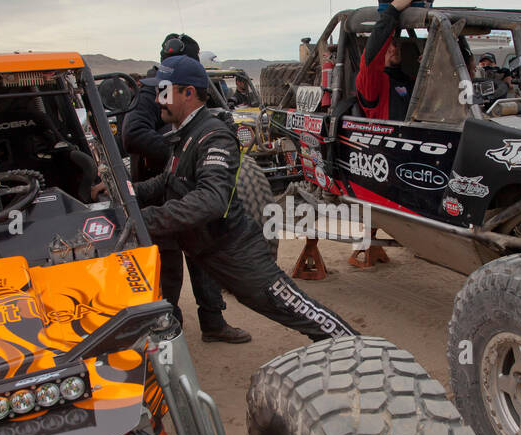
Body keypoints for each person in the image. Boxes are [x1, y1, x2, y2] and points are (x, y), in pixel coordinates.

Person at [118, 55, 357, 342]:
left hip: (238, 254)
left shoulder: (213, 136)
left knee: (302, 312)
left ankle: (361, 351)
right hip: (211, 253)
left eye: (164, 91)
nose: (158, 100)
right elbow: (168, 180)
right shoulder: (185, 133)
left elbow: (211, 200)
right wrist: (128, 193)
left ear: (188, 93)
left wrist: (145, 219)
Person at [121, 34, 250, 343]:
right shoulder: (152, 91)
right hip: (161, 192)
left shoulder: (185, 92)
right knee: (167, 270)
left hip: (187, 187)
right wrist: (179, 151)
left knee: (202, 256)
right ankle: (168, 329)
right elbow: (132, 134)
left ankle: (213, 321)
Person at [355, 0, 436, 121]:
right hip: (385, 142)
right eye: (389, 45)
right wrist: (392, 11)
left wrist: (431, 72)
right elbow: (371, 57)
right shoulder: (373, 84)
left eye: (396, 43)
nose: (394, 48)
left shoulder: (411, 80)